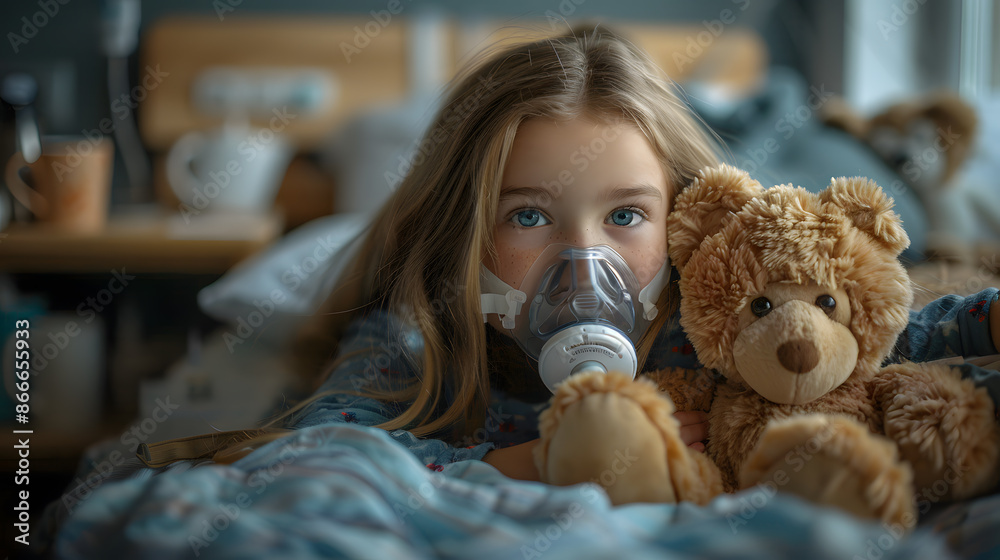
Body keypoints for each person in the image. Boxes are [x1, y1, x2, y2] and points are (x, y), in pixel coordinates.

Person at [269, 24, 1000, 484]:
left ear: (678, 221)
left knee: (840, 165)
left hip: (807, 165)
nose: (585, 259)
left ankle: (872, 138)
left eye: (625, 215)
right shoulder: (420, 331)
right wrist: (533, 463)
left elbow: (887, 339)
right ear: (463, 234)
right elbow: (318, 455)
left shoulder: (717, 309)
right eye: (529, 214)